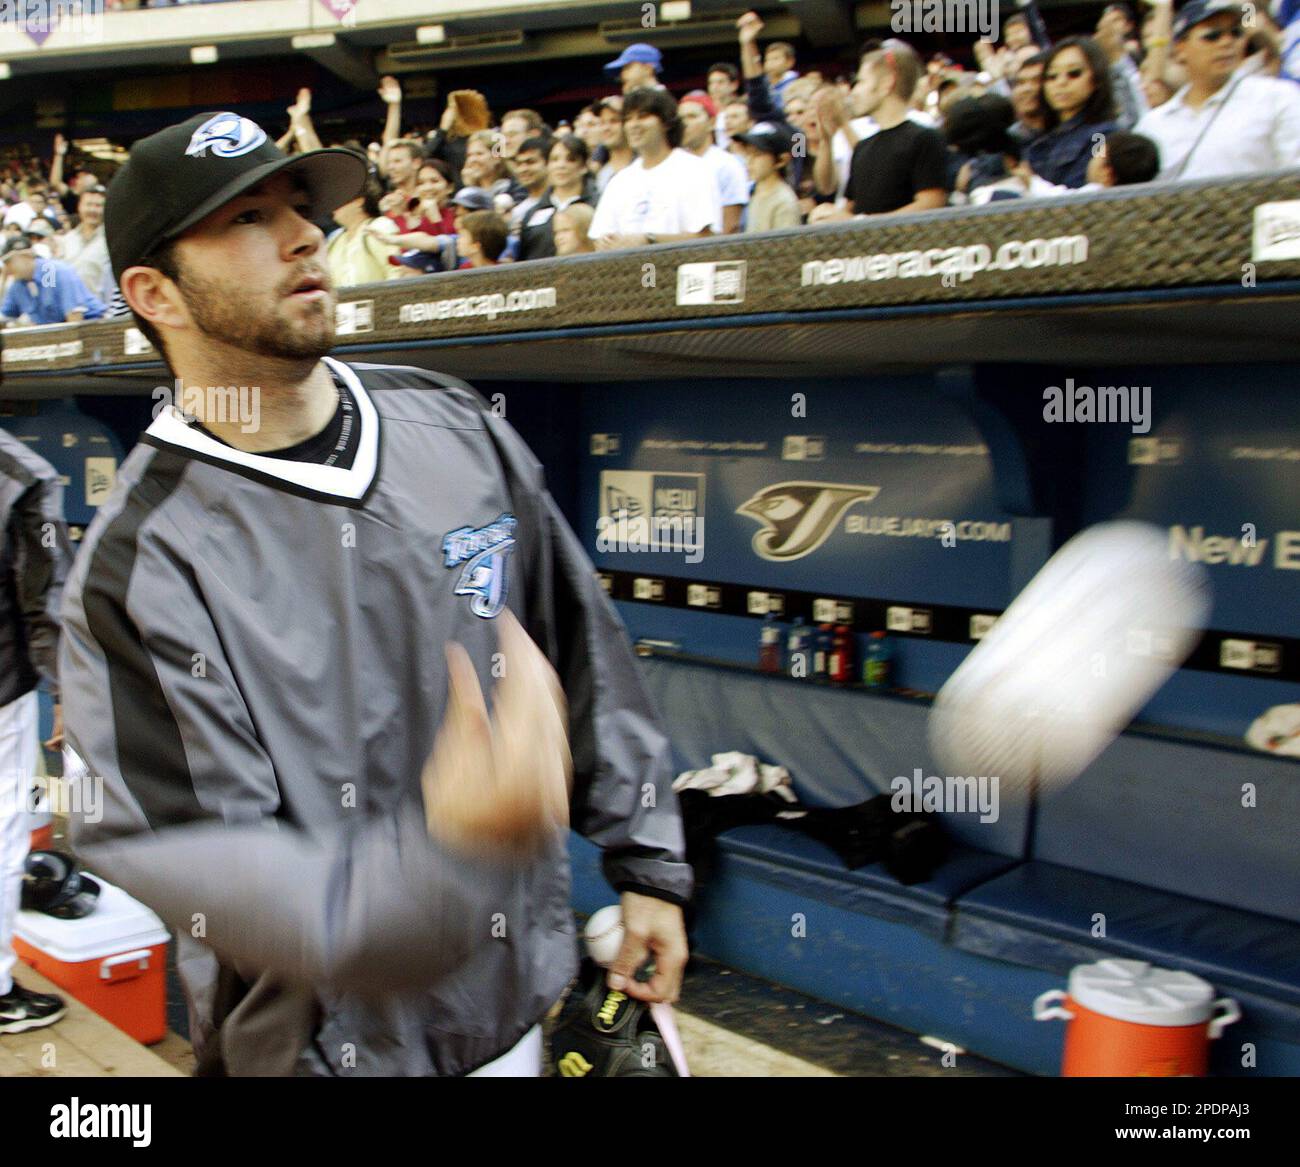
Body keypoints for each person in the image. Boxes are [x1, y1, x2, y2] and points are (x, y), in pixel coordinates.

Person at [68, 110, 691, 1078]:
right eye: (244, 220)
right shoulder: (136, 567)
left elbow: (583, 651)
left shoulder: (448, 420)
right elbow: (229, 880)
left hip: (516, 1006)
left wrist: (646, 861)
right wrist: (452, 852)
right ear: (156, 293)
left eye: (301, 205)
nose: (303, 233)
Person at [0, 429, 73, 1036]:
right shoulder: (21, 470)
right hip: (2, 689)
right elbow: (45, 599)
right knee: (3, 836)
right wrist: (65, 691)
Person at [1135, 0, 1300, 180]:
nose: (1226, 42)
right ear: (1180, 48)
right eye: (1212, 36)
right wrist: (1163, 8)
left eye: (1235, 33)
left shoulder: (1278, 97)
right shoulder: (1152, 125)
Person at [811, 42, 947, 220]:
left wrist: (861, 223)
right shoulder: (862, 148)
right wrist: (828, 217)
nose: (855, 91)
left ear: (886, 83)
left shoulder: (924, 138)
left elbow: (931, 203)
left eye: (861, 82)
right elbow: (851, 207)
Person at [589, 87, 720, 249]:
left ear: (666, 123)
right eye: (628, 119)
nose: (634, 125)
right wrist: (605, 243)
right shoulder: (619, 181)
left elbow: (706, 238)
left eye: (643, 117)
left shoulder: (695, 170)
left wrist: (649, 240)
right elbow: (598, 239)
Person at [1025, 37, 1120, 188]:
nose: (1061, 82)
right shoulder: (1040, 137)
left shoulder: (1102, 136)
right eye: (1052, 76)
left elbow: (1089, 188)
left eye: (1074, 73)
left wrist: (1030, 183)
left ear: (1096, 80)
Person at [678, 92, 749, 234]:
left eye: (692, 116)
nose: (684, 123)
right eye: (680, 118)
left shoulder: (727, 164)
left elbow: (731, 225)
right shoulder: (673, 165)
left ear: (711, 122)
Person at [517, 136, 594, 262]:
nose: (561, 165)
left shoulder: (597, 205)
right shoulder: (532, 213)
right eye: (554, 160)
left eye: (571, 159)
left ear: (584, 166)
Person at [1, 235, 106, 325]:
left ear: (26, 256)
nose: (7, 269)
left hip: (91, 327)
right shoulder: (18, 285)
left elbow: (74, 316)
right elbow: (4, 317)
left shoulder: (54, 271)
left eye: (9, 262)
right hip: (56, 335)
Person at [326, 172, 400, 287]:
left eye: (338, 200)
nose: (333, 206)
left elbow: (396, 271)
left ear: (358, 201)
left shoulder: (380, 227)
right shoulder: (334, 239)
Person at [733, 122, 802, 231]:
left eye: (757, 155)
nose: (749, 161)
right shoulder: (754, 193)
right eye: (747, 154)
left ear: (781, 160)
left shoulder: (783, 202)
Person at [59, 183, 114, 304]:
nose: (93, 210)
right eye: (89, 204)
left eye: (99, 205)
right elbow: (50, 272)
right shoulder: (65, 240)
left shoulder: (113, 240)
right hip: (67, 311)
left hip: (99, 312)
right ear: (79, 206)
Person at [763, 38, 800, 112]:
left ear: (790, 62)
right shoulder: (761, 86)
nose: (770, 63)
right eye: (767, 60)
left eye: (775, 59)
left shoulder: (797, 85)